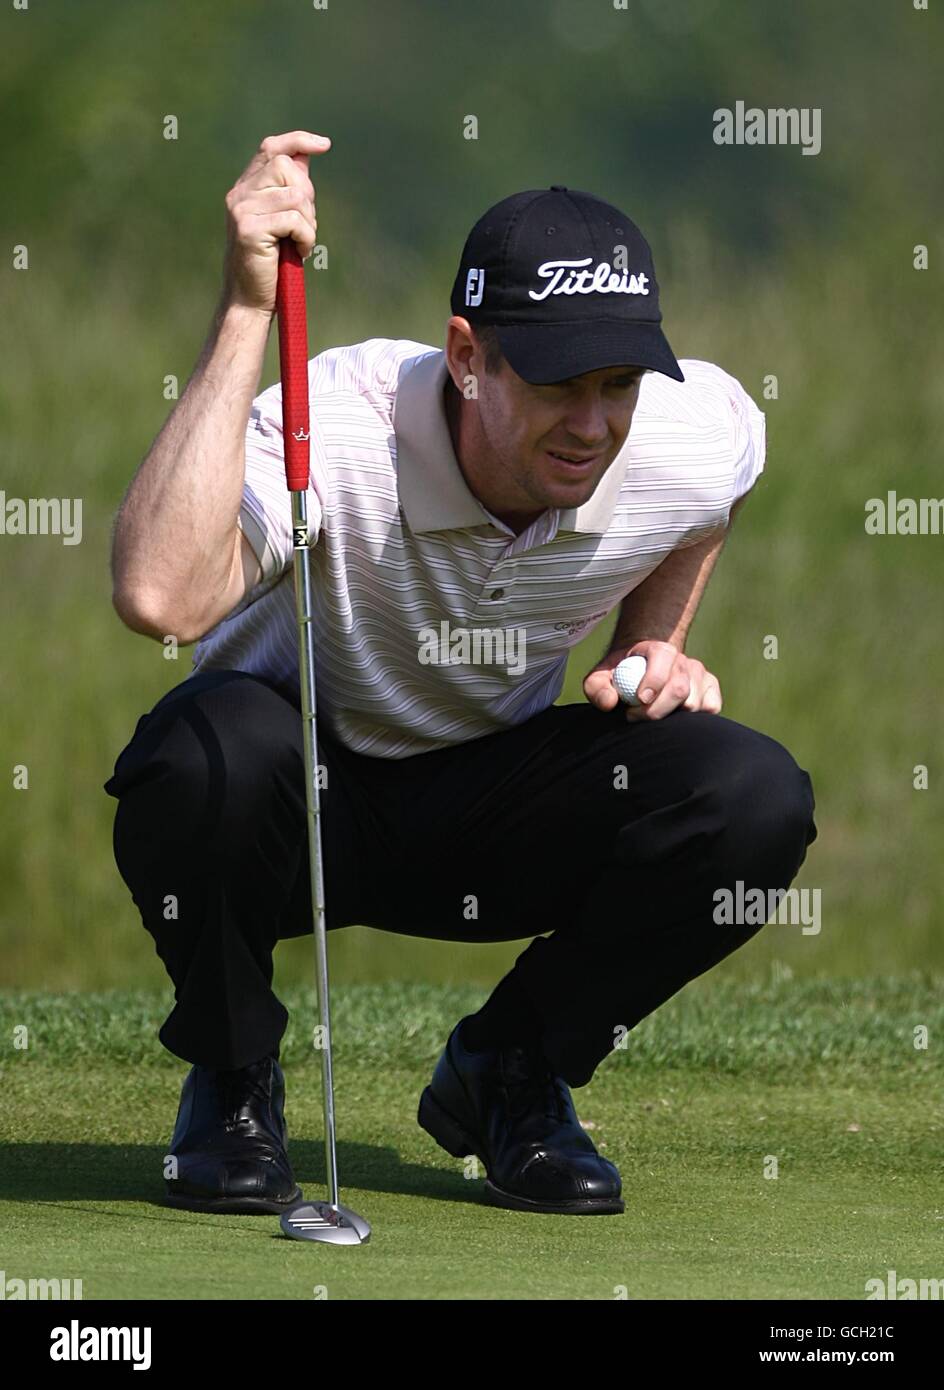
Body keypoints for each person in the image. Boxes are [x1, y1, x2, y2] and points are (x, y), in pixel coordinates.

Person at [104, 130, 817, 1218]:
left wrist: (649, 641)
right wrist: (249, 307)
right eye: (556, 383)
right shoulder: (331, 426)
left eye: (617, 383)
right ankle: (233, 1076)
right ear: (468, 354)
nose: (592, 425)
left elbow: (720, 483)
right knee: (197, 758)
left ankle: (510, 1071)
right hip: (294, 803)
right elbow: (159, 596)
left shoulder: (679, 431)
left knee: (749, 795)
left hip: (490, 801)